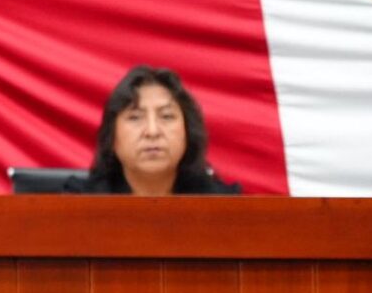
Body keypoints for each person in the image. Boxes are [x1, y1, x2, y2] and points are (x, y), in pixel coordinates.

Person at [65, 65, 241, 196]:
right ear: (112, 138)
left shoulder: (223, 206)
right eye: (135, 117)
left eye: (166, 117)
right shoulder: (78, 205)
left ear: (188, 132)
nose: (152, 131)